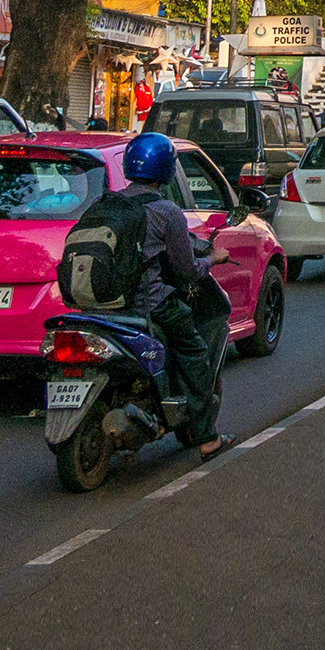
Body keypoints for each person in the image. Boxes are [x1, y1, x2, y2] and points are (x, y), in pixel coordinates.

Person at [112, 133, 234, 459]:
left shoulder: (109, 203)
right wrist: (213, 259)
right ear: (166, 169)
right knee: (196, 355)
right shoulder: (166, 211)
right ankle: (207, 436)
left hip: (105, 309)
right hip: (150, 306)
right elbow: (187, 272)